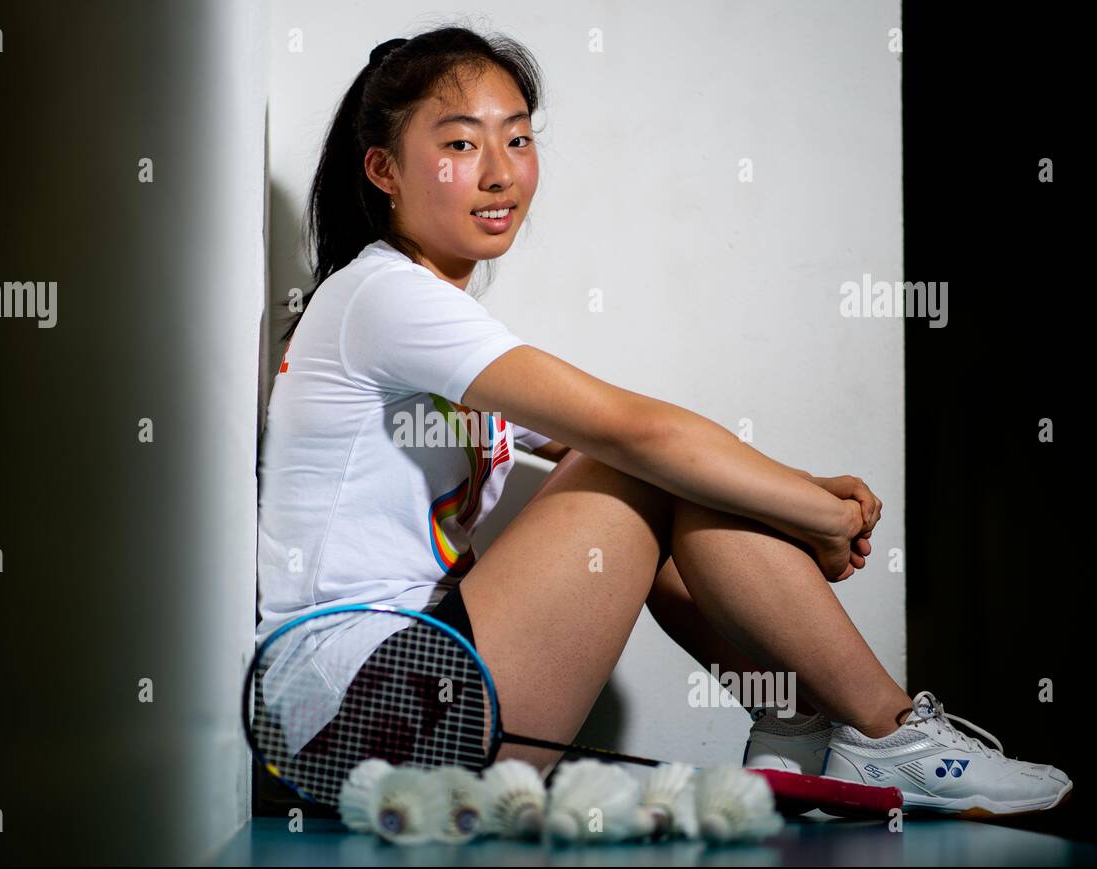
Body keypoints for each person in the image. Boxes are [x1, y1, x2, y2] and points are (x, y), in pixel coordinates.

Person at [255, 23, 1072, 818]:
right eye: (462, 145)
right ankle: (884, 730)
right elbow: (630, 435)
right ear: (383, 170)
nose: (501, 173)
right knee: (639, 457)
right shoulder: (385, 296)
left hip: (404, 703)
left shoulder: (413, 308)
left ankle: (805, 722)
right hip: (356, 714)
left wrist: (791, 489)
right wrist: (814, 511)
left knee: (663, 465)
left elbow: (629, 446)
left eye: (519, 139)